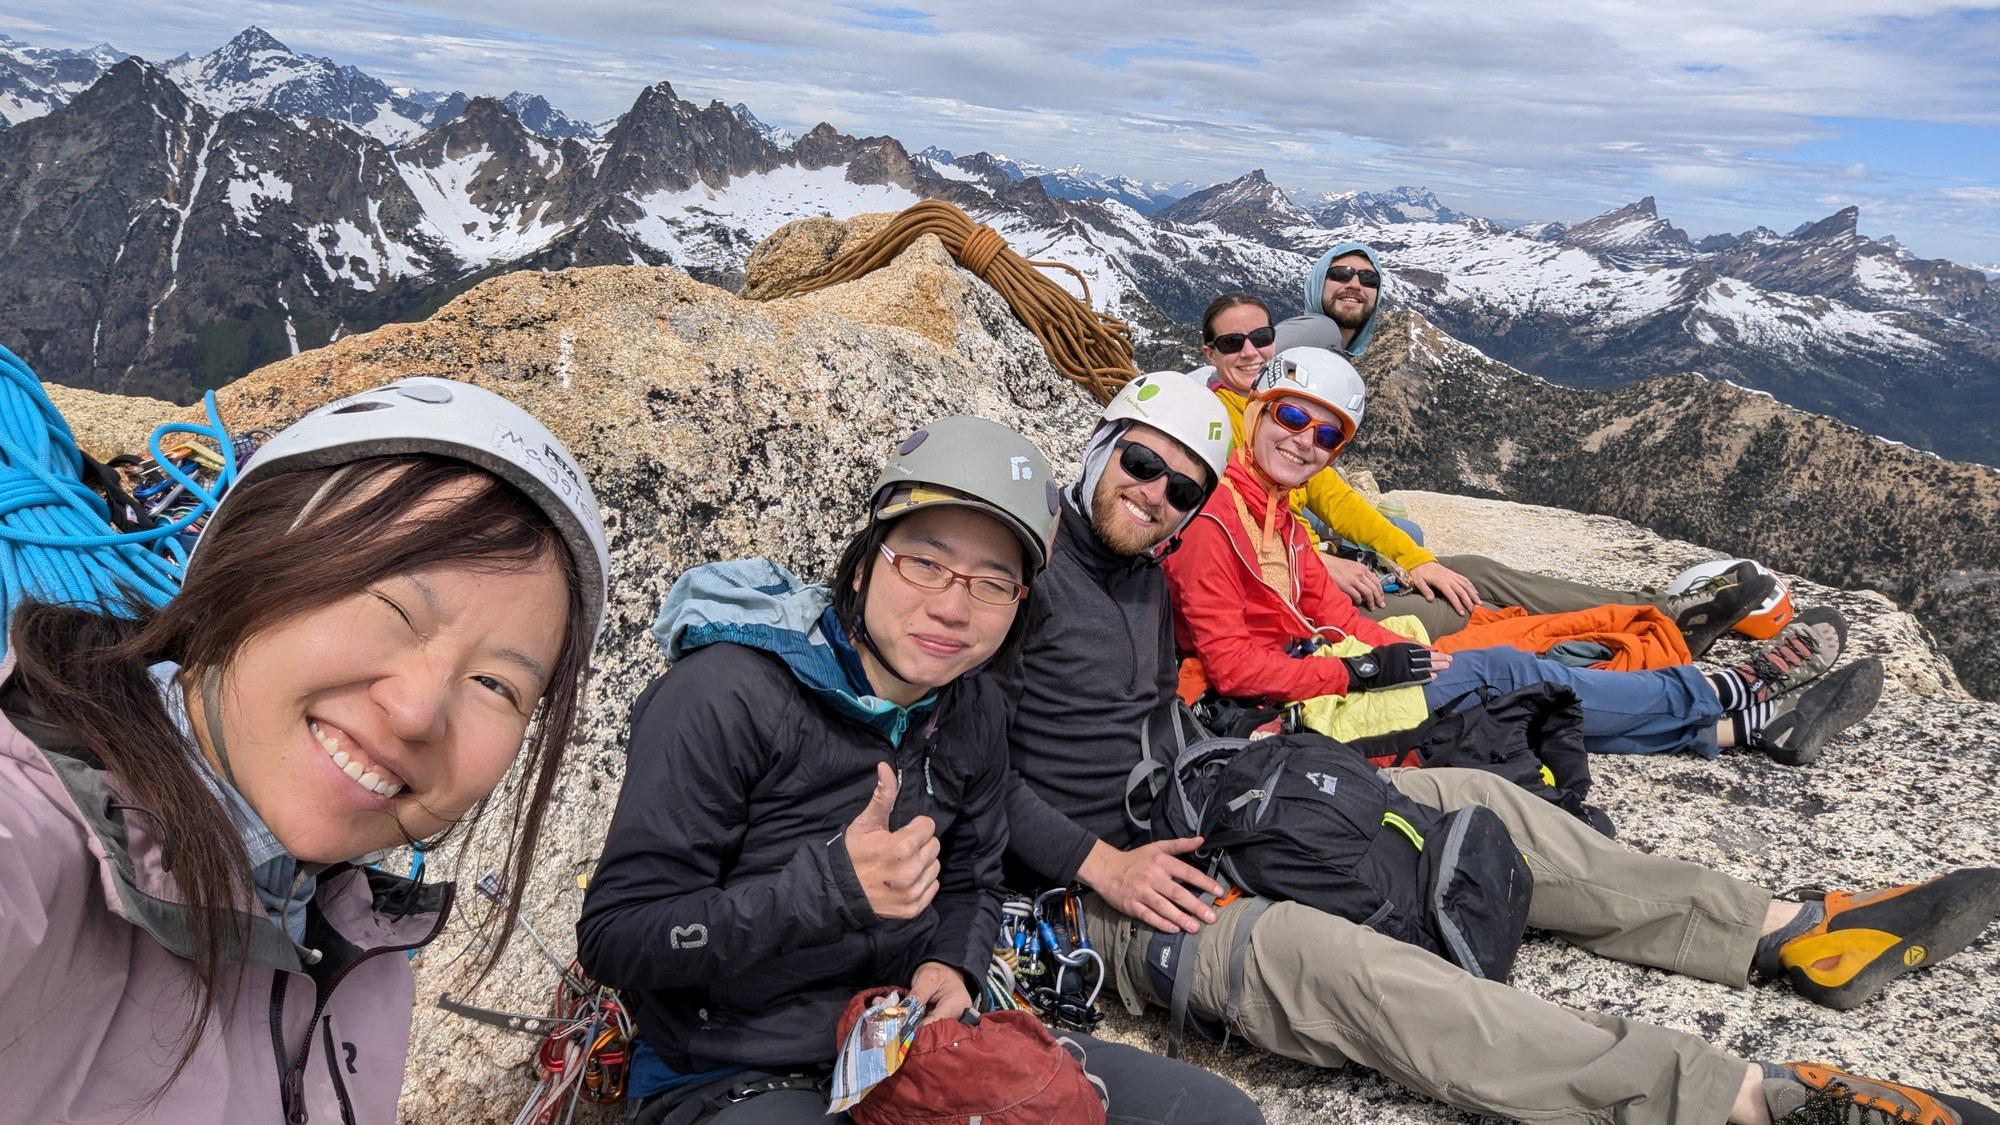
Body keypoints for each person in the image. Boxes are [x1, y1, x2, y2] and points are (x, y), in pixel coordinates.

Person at [1003, 369, 2000, 1125]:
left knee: (1488, 805)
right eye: (1138, 466)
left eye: (1179, 487)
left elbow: (1257, 596)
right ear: (1096, 448)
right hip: (1094, 898)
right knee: (1349, 972)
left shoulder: (1147, 561)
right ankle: (1747, 1100)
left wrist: (1360, 597)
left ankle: (1783, 931)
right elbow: (957, 775)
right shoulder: (1019, 576)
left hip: (1199, 797)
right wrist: (1094, 865)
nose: (1153, 495)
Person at [577, 416, 1261, 1124]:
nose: (952, 607)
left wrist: (953, 965)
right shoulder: (727, 693)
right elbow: (615, 936)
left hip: (910, 1036)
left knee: (1214, 1113)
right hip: (733, 1065)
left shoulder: (973, 707)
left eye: (995, 583)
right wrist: (826, 889)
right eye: (925, 562)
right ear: (869, 555)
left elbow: (973, 874)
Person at [0, 377, 608, 1121]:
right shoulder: (32, 839)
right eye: (389, 604)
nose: (418, 712)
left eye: (495, 683)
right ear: (241, 573)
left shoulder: (364, 969)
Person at [1164, 346, 1882, 765]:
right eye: (1291, 416)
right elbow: (1228, 665)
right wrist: (1358, 667)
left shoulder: (1276, 508)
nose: (1304, 441)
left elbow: (1318, 599)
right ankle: (1727, 694)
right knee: (1506, 672)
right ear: (1256, 412)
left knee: (1495, 693)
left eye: (1326, 436)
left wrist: (1393, 648)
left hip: (1303, 684)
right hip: (1267, 720)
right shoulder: (1212, 517)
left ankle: (1743, 729)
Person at [1203, 287, 1779, 655]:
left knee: (1470, 570)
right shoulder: (1213, 426)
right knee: (1463, 610)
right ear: (1210, 353)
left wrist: (1415, 558)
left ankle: (1656, 605)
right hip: (1293, 595)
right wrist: (1322, 561)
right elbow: (1229, 530)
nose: (1250, 350)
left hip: (1321, 573)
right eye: (1234, 341)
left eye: (1261, 337)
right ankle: (1633, 631)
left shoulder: (1278, 413)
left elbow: (1338, 502)